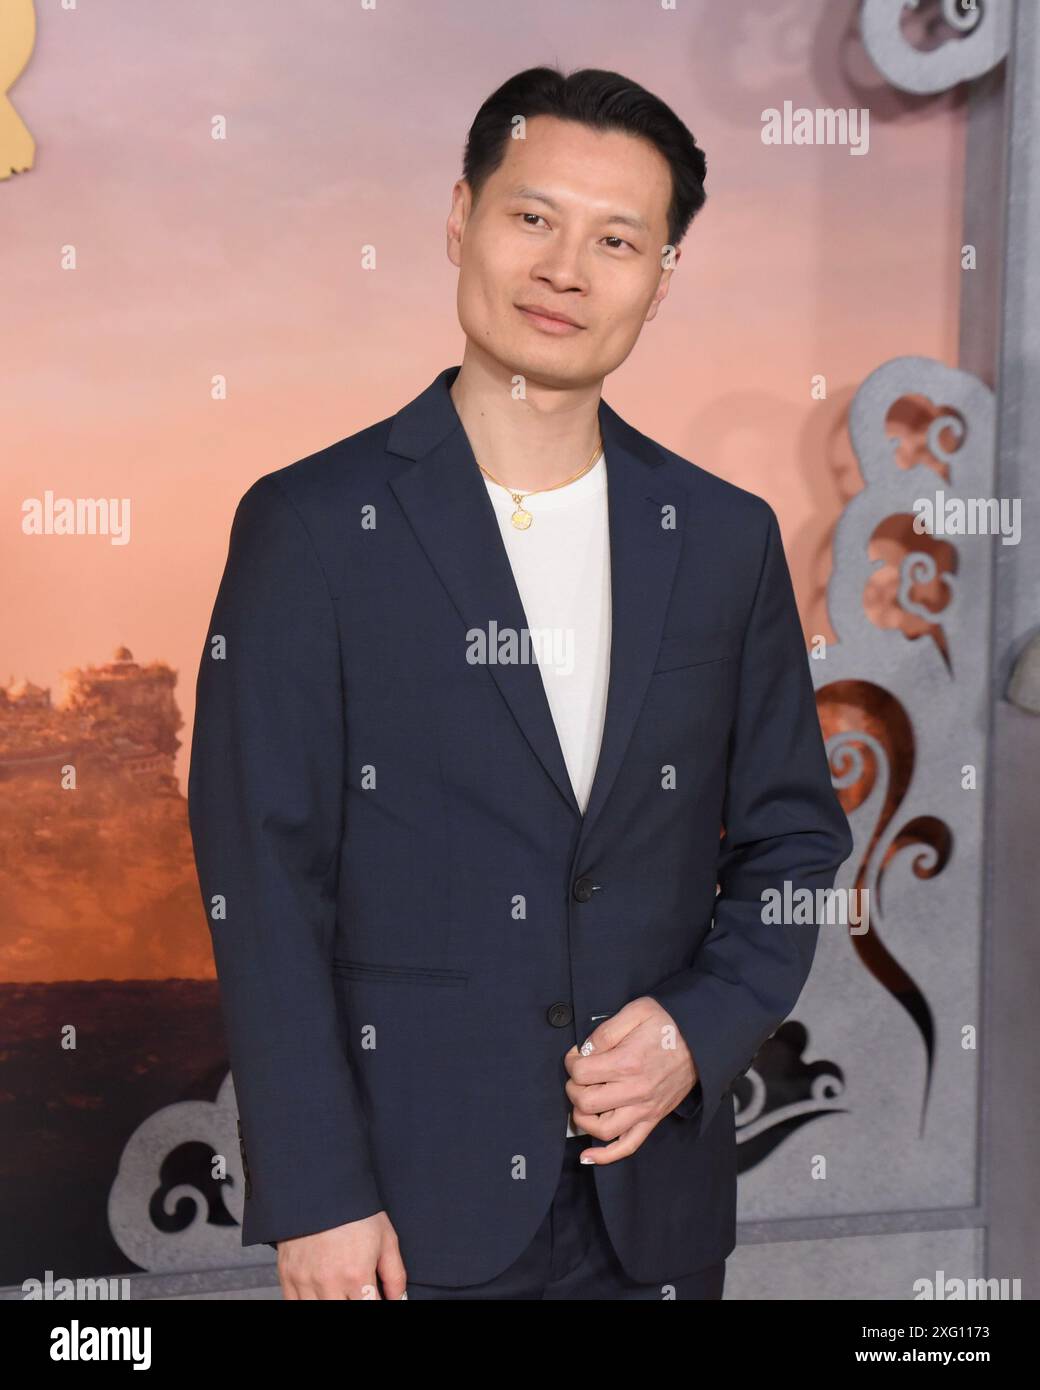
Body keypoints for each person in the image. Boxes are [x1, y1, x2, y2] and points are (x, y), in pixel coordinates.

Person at [187, 65, 853, 1301]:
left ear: (659, 280)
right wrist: (319, 1191)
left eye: (615, 240)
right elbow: (259, 879)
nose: (564, 270)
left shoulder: (721, 538)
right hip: (399, 1217)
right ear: (459, 219)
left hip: (650, 1203)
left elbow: (792, 842)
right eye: (530, 218)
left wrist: (694, 1030)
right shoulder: (311, 525)